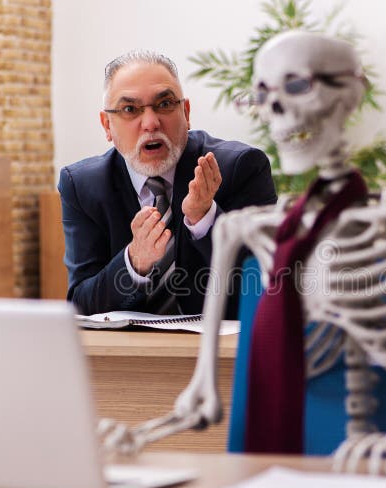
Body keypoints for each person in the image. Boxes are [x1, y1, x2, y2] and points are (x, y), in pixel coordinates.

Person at [59, 50, 276, 316]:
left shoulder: (240, 168)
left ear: (185, 112)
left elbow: (264, 286)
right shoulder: (82, 185)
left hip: (219, 350)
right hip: (128, 353)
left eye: (164, 105)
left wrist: (204, 218)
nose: (151, 123)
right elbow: (81, 305)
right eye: (130, 109)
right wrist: (134, 263)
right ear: (107, 125)